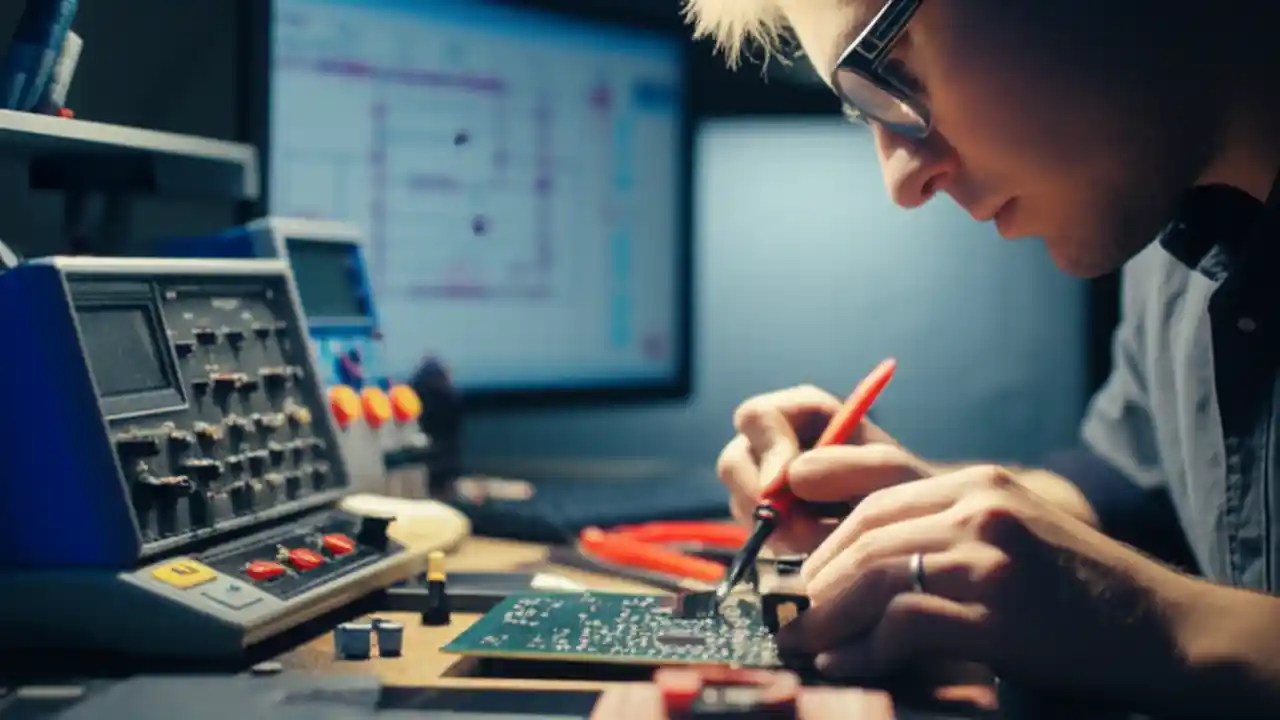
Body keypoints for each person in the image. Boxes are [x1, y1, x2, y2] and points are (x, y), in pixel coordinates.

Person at [685, 0, 1280, 715]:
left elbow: (1141, 590)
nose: (901, 184)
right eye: (858, 108)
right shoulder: (1173, 244)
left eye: (891, 69)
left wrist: (1164, 627)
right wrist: (913, 513)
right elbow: (1135, 489)